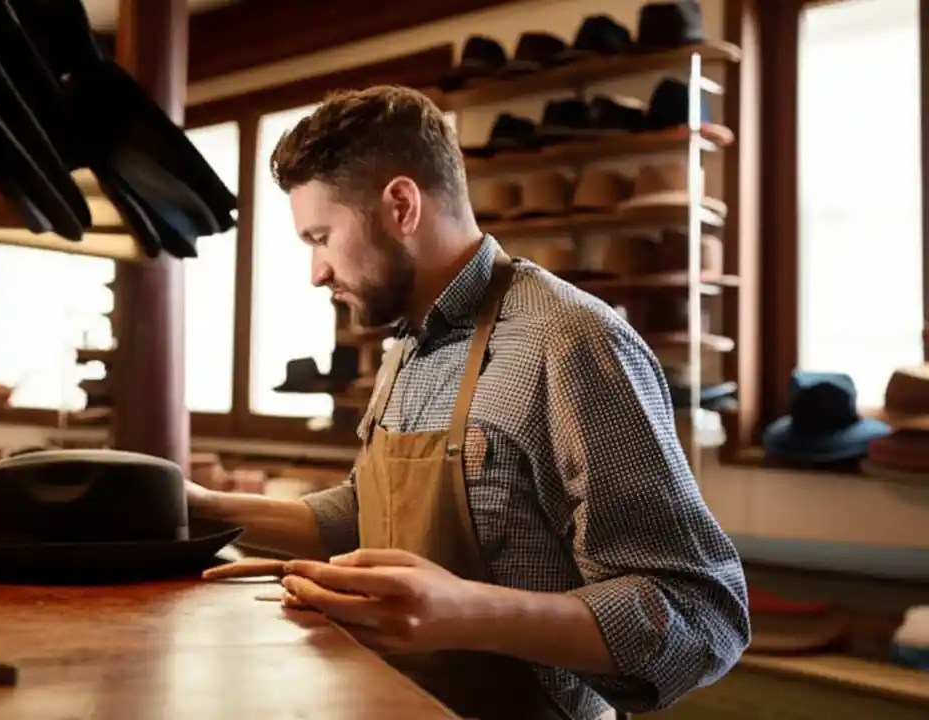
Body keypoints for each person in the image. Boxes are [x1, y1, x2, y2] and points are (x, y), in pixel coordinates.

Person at [187, 85, 750, 720]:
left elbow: (702, 616)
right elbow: (365, 512)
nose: (316, 271)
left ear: (401, 205)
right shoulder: (407, 343)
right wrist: (200, 508)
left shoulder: (570, 342)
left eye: (321, 236)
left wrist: (466, 613)